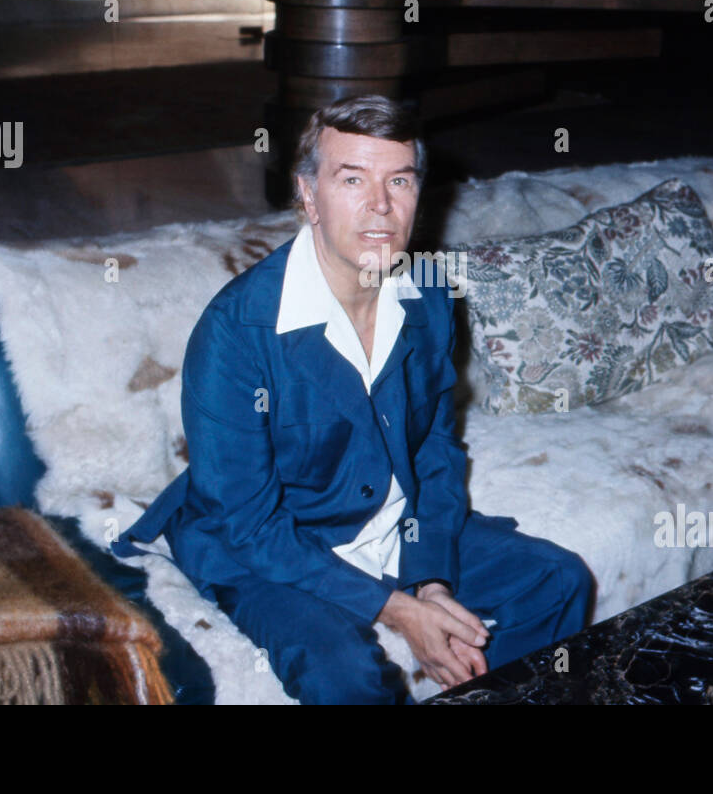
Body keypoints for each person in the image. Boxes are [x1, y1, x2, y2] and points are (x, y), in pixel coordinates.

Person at [112, 93, 594, 703]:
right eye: (351, 179)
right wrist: (395, 609)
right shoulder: (235, 332)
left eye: (399, 180)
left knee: (557, 581)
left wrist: (434, 581)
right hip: (274, 545)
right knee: (341, 671)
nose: (380, 206)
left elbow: (436, 450)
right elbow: (251, 524)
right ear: (308, 195)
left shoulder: (429, 296)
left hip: (391, 526)